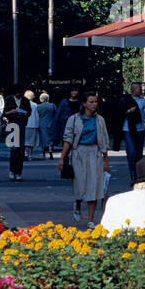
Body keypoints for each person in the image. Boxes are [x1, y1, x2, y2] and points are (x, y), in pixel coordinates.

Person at [60, 90, 110, 225]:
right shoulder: (74, 119)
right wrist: (62, 158)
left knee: (93, 186)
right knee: (80, 184)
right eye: (91, 102)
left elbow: (104, 140)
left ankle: (90, 220)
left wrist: (106, 160)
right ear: (84, 104)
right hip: (78, 152)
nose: (94, 104)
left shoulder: (100, 120)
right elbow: (68, 139)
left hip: (94, 152)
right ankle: (77, 205)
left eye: (95, 102)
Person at [119, 86, 145, 178]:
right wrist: (129, 111)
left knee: (138, 152)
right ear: (133, 89)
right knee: (131, 152)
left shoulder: (143, 101)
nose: (141, 90)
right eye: (139, 88)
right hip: (128, 129)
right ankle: (132, 172)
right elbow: (121, 112)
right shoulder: (126, 99)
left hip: (140, 129)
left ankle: (138, 172)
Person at [2, 89, 31, 181]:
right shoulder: (9, 99)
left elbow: (29, 112)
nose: (19, 94)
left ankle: (18, 171)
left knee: (20, 149)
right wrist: (12, 112)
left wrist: (25, 113)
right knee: (14, 148)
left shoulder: (25, 100)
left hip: (21, 123)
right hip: (12, 123)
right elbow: (4, 112)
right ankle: (12, 170)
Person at [51, 85, 82, 152]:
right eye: (72, 90)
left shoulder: (81, 102)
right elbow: (58, 113)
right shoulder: (64, 101)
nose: (74, 92)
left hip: (78, 124)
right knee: (66, 141)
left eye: (75, 90)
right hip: (65, 125)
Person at [36, 92, 56, 157]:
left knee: (42, 137)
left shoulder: (38, 107)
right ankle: (50, 149)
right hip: (50, 122)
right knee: (50, 137)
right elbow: (55, 113)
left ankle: (43, 150)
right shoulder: (52, 105)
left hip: (41, 123)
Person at [23, 89, 41, 159]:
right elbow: (36, 115)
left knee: (24, 140)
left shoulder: (22, 104)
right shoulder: (35, 105)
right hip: (33, 125)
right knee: (31, 142)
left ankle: (24, 152)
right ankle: (30, 155)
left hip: (25, 124)